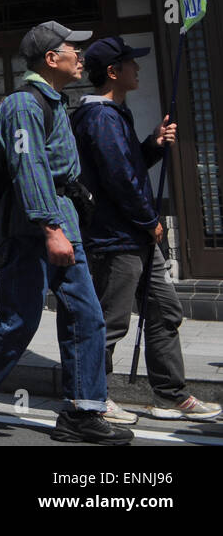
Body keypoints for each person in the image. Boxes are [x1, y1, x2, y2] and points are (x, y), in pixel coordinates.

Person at [0, 21, 131, 444]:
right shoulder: (24, 104)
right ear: (50, 58)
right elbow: (31, 169)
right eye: (72, 49)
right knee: (19, 321)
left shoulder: (54, 100)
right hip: (32, 226)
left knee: (87, 315)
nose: (81, 55)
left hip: (61, 221)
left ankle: (81, 411)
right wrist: (50, 228)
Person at [71, 35, 221, 423]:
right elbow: (119, 179)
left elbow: (129, 165)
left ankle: (172, 394)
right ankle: (93, 399)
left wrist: (152, 145)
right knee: (110, 321)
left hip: (133, 235)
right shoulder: (100, 116)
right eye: (131, 64)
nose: (137, 69)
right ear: (113, 72)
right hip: (115, 239)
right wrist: (149, 220)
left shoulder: (116, 114)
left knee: (165, 311)